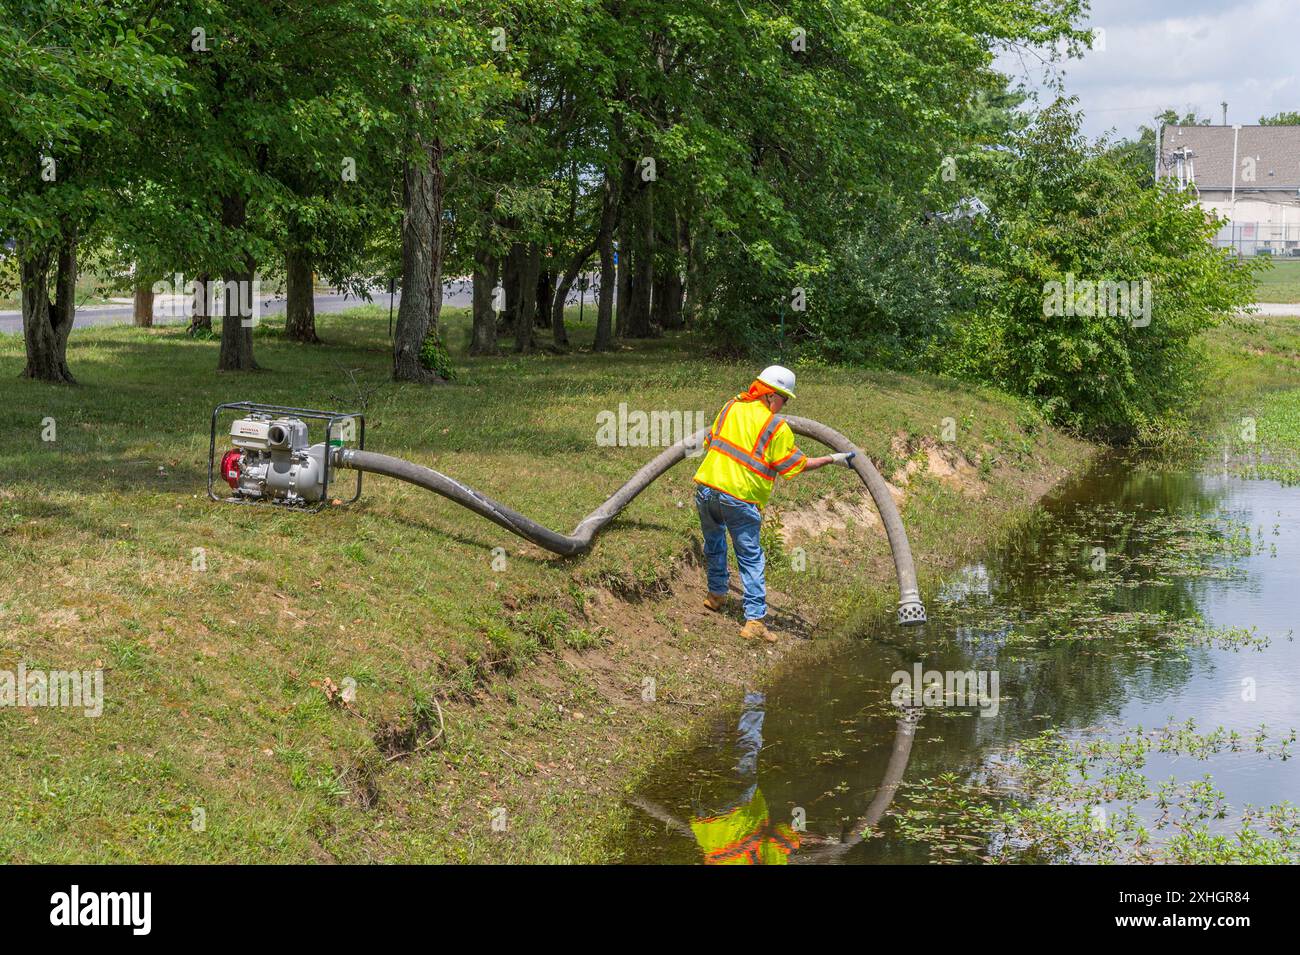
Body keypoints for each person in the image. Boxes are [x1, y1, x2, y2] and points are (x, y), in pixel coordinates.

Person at [692, 365, 855, 641]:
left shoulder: (731, 406)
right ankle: (754, 621)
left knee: (715, 542)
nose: (784, 404)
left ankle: (716, 595)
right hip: (739, 498)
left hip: (706, 490)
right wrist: (833, 459)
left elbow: (710, 441)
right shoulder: (775, 427)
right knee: (750, 557)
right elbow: (794, 466)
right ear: (770, 395)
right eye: (784, 398)